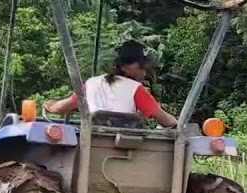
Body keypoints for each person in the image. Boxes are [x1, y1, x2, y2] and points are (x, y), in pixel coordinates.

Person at [43, 41, 178, 128]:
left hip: (90, 143)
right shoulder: (137, 90)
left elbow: (62, 107)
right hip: (126, 149)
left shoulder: (91, 84)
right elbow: (165, 120)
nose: (144, 72)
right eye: (141, 67)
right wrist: (178, 123)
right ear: (126, 67)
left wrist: (50, 105)